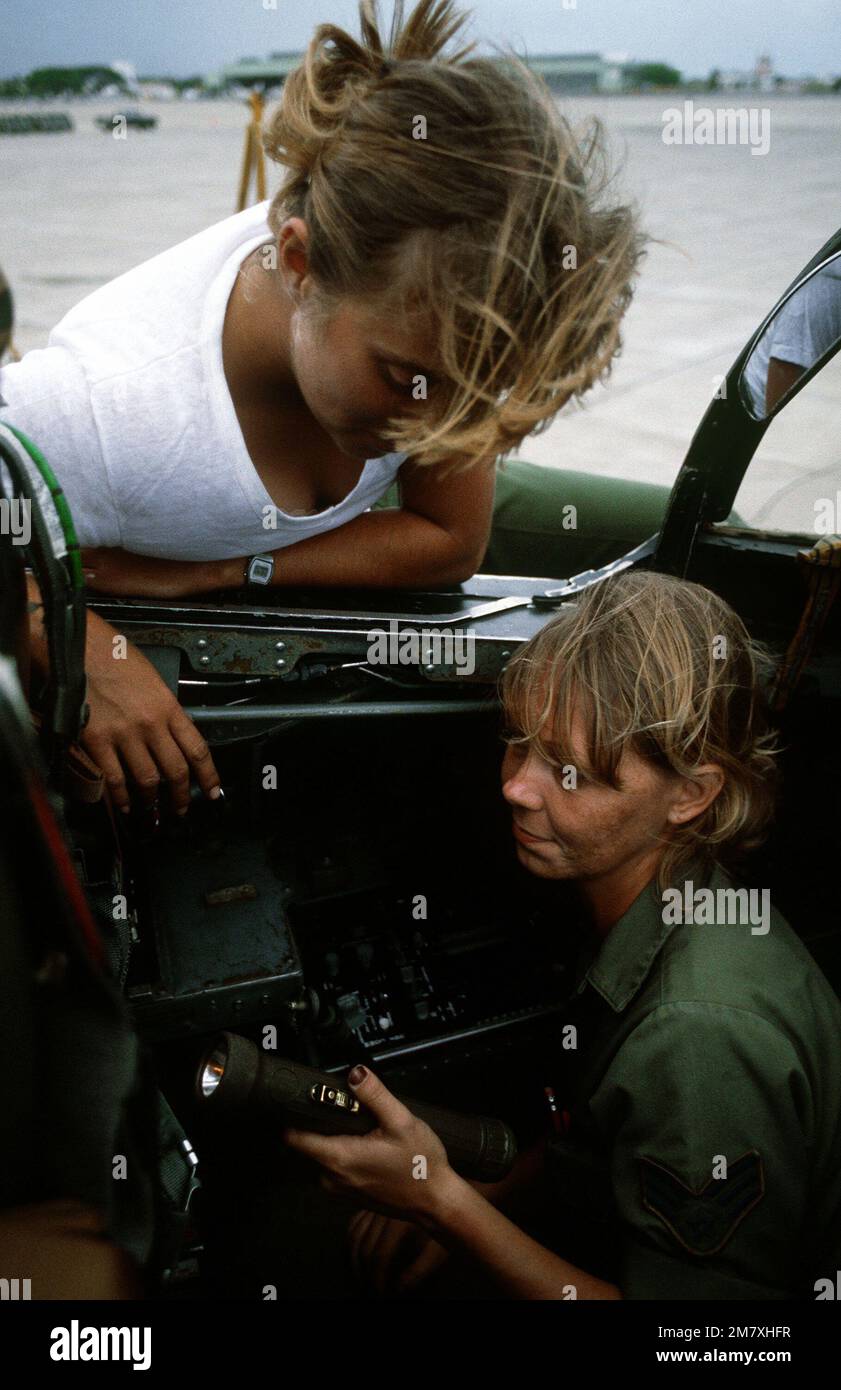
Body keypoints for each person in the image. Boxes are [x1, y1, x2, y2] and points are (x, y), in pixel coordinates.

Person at [0, 0, 645, 815]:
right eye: (407, 376)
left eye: (481, 393)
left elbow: (449, 538)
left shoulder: (434, 317)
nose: (439, 430)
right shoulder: (100, 410)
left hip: (337, 519)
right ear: (299, 263)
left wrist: (218, 571)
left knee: (693, 538)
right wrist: (67, 640)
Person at [282, 570, 841, 1299]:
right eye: (519, 742)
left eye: (570, 772)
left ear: (690, 794)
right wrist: (489, 1194)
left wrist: (439, 1205)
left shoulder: (697, 1034)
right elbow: (607, 1138)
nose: (515, 786)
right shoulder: (675, 900)